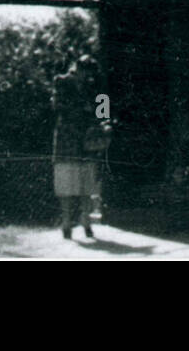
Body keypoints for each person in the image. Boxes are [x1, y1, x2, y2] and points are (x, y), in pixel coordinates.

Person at [51, 54, 107, 239]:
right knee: (67, 179)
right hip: (68, 136)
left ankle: (86, 220)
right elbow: (56, 105)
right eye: (85, 72)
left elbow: (102, 104)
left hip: (87, 137)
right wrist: (80, 107)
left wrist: (104, 122)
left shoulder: (94, 84)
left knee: (87, 179)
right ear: (77, 69)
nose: (88, 77)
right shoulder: (61, 81)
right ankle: (66, 222)